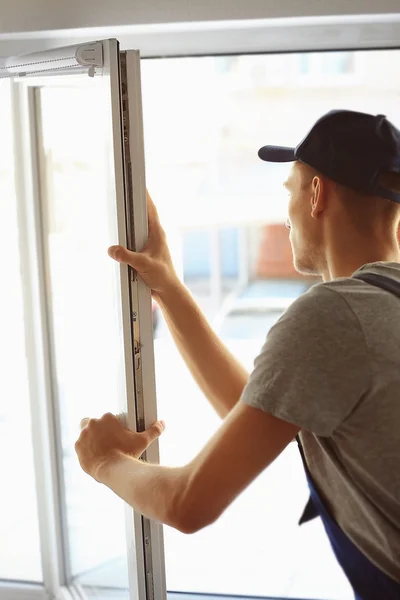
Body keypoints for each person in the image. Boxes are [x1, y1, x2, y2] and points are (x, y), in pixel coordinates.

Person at [75, 110, 400, 600]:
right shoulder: (381, 306)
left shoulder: (335, 315)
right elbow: (257, 410)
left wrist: (104, 461)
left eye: (289, 189)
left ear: (317, 195)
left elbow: (189, 504)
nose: (286, 211)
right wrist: (168, 285)